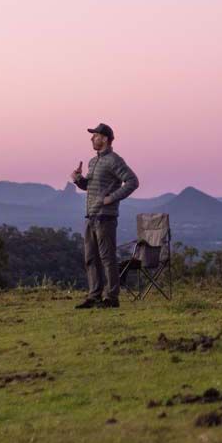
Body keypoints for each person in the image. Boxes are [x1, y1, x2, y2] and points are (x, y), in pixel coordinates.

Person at [70, 123, 139, 308]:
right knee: (91, 258)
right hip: (91, 216)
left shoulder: (114, 160)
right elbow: (90, 187)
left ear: (105, 139)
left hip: (105, 217)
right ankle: (94, 296)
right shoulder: (93, 162)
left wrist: (112, 198)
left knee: (107, 258)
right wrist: (78, 180)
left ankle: (112, 298)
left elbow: (132, 181)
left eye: (96, 135)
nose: (92, 138)